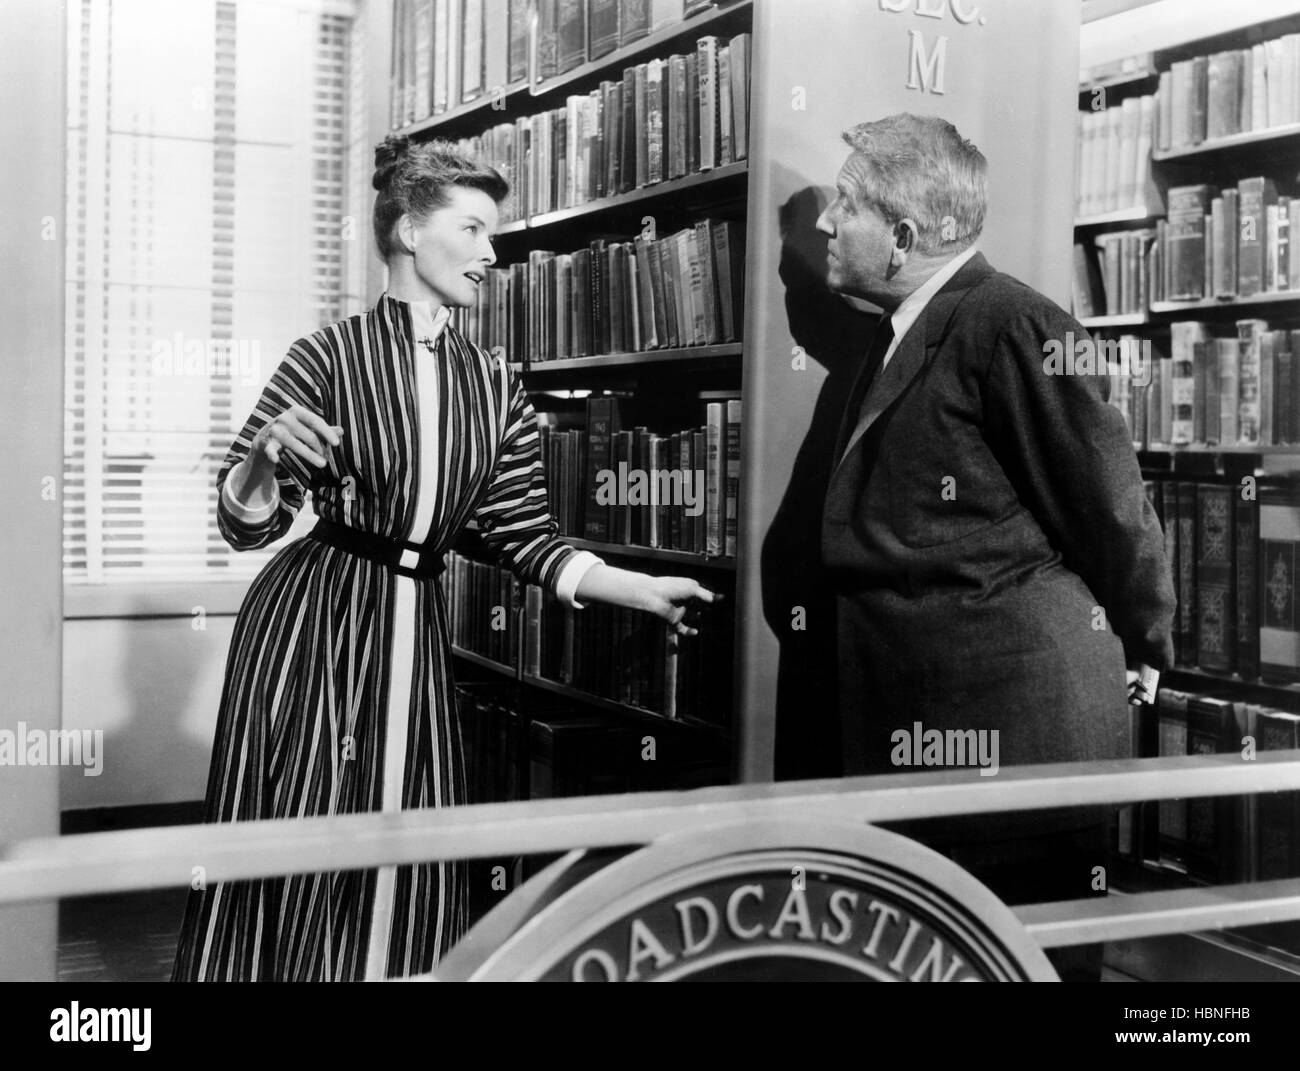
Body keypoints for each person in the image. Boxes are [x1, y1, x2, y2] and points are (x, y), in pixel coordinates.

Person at [171, 135, 717, 981]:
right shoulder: (326, 356)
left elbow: (523, 536)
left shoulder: (493, 383)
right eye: (471, 229)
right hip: (311, 627)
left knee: (409, 835)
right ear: (406, 234)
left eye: (492, 234)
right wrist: (262, 459)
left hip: (411, 635)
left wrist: (637, 589)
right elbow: (243, 527)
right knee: (304, 829)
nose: (491, 254)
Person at [815, 114, 1175, 980]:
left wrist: (1147, 638)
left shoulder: (1010, 321)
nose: (826, 223)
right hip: (936, 725)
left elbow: (1108, 502)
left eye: (844, 204)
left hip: (1012, 734)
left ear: (901, 238)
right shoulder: (905, 329)